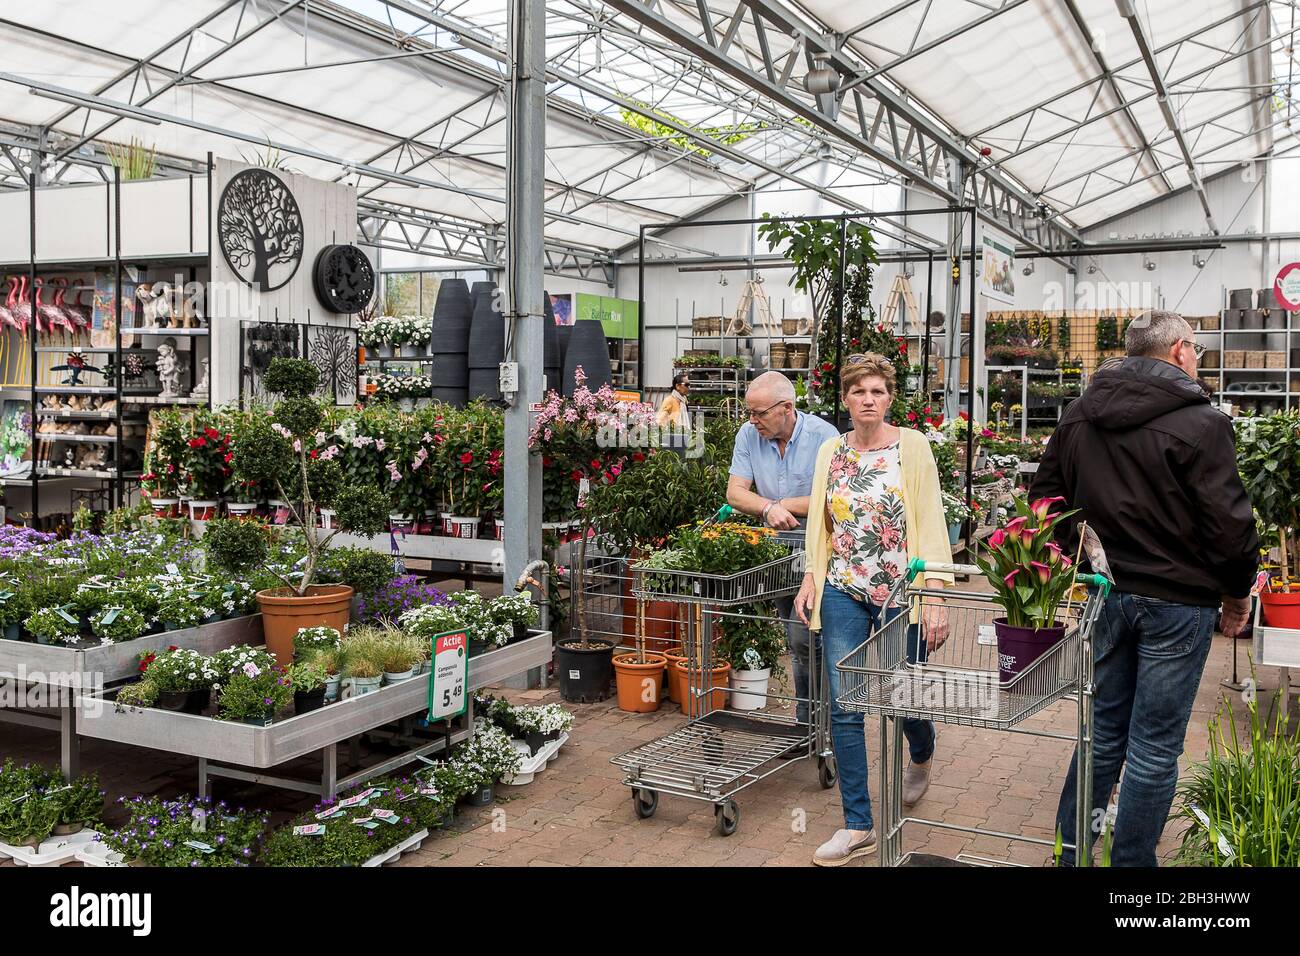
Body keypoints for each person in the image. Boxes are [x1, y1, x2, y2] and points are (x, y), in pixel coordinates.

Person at [1029, 309, 1258, 867]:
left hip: (1107, 595)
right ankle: (1131, 868)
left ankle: (1073, 854)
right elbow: (1229, 525)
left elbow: (1044, 500)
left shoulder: (1080, 415)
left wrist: (1080, 557)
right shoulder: (1203, 424)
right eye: (1197, 350)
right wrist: (1236, 593)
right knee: (1155, 746)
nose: (1197, 358)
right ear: (1179, 351)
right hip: (1179, 604)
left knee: (1104, 731)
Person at [793, 352, 953, 866]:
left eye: (878, 391)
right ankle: (857, 824)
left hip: (902, 594)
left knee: (903, 693)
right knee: (846, 704)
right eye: (859, 391)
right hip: (844, 589)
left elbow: (929, 519)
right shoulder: (830, 453)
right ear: (845, 399)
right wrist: (812, 576)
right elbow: (820, 521)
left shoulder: (912, 447)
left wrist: (934, 594)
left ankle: (922, 752)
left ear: (889, 398)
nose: (868, 399)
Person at [727, 371, 838, 728]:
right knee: (799, 643)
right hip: (776, 554)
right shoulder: (748, 435)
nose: (752, 420)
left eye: (759, 413)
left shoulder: (825, 437)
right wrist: (767, 508)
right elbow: (735, 493)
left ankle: (821, 725)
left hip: (819, 551)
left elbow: (835, 498)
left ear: (787, 407)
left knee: (804, 637)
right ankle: (811, 724)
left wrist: (783, 503)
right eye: (749, 412)